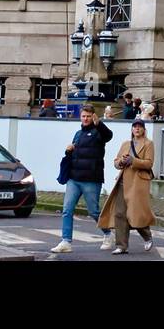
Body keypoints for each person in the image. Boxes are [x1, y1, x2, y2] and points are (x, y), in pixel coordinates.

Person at [50, 103, 113, 254]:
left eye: (88, 116)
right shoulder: (78, 134)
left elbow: (108, 136)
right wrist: (68, 150)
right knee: (67, 210)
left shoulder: (98, 132)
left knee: (93, 212)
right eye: (83, 116)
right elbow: (73, 155)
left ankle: (108, 234)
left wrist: (99, 124)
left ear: (93, 117)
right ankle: (66, 242)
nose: (85, 119)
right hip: (74, 178)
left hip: (91, 178)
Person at [98, 120, 155, 254]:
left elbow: (149, 163)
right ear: (131, 129)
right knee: (119, 214)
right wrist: (121, 162)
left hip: (138, 183)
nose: (137, 129)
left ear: (144, 130)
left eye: (139, 127)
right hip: (123, 182)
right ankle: (121, 246)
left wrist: (133, 161)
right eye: (134, 127)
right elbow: (116, 162)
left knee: (135, 213)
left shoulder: (148, 144)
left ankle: (147, 236)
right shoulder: (125, 144)